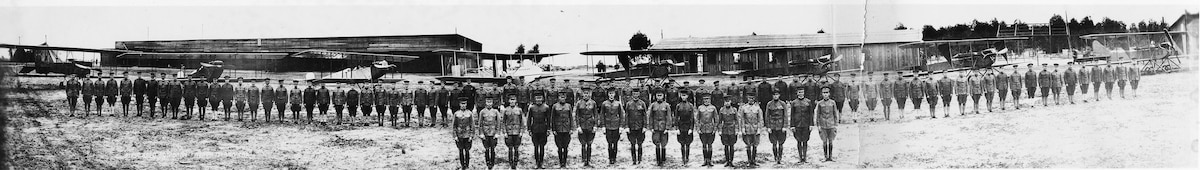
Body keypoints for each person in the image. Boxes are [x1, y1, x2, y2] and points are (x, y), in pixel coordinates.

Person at [648, 87, 672, 166]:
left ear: (663, 96)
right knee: (656, 142)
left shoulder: (666, 105)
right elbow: (650, 116)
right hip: (655, 127)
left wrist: (667, 128)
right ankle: (658, 159)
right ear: (655, 96)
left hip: (663, 127)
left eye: (660, 95)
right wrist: (651, 127)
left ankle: (663, 158)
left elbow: (669, 117)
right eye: (657, 95)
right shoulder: (653, 105)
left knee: (664, 143)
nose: (659, 97)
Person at [575, 86, 599, 167]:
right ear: (582, 94)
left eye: (587, 93)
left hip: (590, 125)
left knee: (589, 143)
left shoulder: (593, 103)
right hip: (582, 125)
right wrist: (578, 126)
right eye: (584, 93)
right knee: (583, 143)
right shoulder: (579, 103)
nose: (586, 95)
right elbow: (576, 115)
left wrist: (595, 125)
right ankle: (583, 160)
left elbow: (596, 115)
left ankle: (588, 160)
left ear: (590, 94)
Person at [740, 86, 763, 167]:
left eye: (752, 98)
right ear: (747, 98)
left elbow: (760, 119)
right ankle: (749, 160)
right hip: (747, 128)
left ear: (754, 99)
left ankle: (754, 160)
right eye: (749, 98)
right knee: (748, 145)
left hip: (755, 128)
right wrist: (742, 128)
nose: (750, 100)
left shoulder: (757, 108)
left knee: (755, 145)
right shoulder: (744, 108)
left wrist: (759, 129)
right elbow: (742, 119)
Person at [790, 84, 814, 163]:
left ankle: (805, 157)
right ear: (797, 93)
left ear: (804, 93)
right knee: (799, 141)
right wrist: (792, 125)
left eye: (802, 92)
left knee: (805, 141)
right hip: (797, 125)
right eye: (799, 92)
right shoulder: (794, 103)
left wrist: (811, 124)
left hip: (806, 124)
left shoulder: (808, 102)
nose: (801, 94)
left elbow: (811, 114)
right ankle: (800, 158)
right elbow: (792, 115)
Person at [764, 87, 788, 164]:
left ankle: (780, 158)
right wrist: (768, 127)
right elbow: (767, 116)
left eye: (777, 94)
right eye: (774, 95)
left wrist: (784, 126)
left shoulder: (783, 104)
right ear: (772, 96)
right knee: (774, 143)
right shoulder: (769, 104)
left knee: (781, 143)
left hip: (781, 125)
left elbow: (785, 116)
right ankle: (775, 157)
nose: (775, 96)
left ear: (779, 95)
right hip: (772, 125)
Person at [527, 93, 552, 169]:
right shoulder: (532, 108)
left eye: (540, 98)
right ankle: (536, 162)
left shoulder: (546, 107)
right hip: (534, 129)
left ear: (542, 99)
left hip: (543, 129)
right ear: (535, 99)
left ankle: (541, 162)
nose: (538, 100)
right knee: (535, 146)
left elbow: (548, 119)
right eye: (537, 98)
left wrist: (548, 129)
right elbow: (529, 119)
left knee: (542, 146)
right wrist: (529, 129)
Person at [600, 88, 625, 165]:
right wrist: (603, 126)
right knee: (609, 143)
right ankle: (610, 158)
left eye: (612, 93)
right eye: (610, 93)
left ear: (615, 94)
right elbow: (602, 115)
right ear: (608, 94)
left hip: (616, 125)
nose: (611, 95)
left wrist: (621, 126)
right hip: (608, 125)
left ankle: (614, 157)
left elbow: (622, 115)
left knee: (615, 142)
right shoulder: (604, 103)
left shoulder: (618, 103)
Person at [625, 88, 649, 165]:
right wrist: (626, 126)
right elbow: (626, 116)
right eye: (634, 94)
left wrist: (645, 126)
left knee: (640, 143)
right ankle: (634, 159)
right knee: (632, 143)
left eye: (637, 94)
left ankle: (639, 159)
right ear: (632, 94)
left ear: (639, 94)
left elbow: (645, 115)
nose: (636, 95)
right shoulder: (629, 104)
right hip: (631, 126)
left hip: (640, 127)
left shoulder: (642, 103)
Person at [502, 94, 526, 169]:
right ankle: (510, 163)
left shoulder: (519, 110)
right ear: (509, 101)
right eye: (511, 100)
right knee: (510, 148)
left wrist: (521, 132)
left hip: (517, 131)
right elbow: (503, 122)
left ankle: (515, 163)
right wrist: (505, 132)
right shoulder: (506, 110)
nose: (512, 101)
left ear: (516, 101)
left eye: (514, 100)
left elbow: (522, 122)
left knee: (516, 148)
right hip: (509, 132)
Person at [695, 90, 719, 167]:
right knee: (704, 144)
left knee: (710, 144)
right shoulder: (700, 108)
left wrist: (715, 129)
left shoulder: (713, 108)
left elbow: (716, 119)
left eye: (708, 99)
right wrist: (698, 128)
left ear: (710, 99)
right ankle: (705, 160)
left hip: (710, 128)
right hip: (702, 129)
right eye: (705, 99)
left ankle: (710, 160)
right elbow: (697, 119)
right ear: (703, 100)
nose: (706, 101)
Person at [815, 87, 838, 162]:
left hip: (831, 124)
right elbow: (818, 115)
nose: (825, 94)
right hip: (823, 125)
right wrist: (818, 125)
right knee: (824, 141)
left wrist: (835, 125)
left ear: (829, 94)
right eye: (824, 93)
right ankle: (825, 156)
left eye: (827, 93)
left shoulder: (833, 102)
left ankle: (830, 157)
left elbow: (835, 114)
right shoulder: (820, 103)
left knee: (831, 141)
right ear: (822, 94)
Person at [718, 90, 740, 167]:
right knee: (726, 146)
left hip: (732, 129)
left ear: (730, 101)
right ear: (724, 102)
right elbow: (720, 121)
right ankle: (727, 161)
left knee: (732, 145)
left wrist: (737, 130)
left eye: (728, 101)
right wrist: (720, 130)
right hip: (724, 129)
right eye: (726, 101)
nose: (727, 103)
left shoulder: (734, 110)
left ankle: (732, 161)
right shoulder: (721, 110)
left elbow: (737, 121)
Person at [478, 96, 501, 169]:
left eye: (490, 102)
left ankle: (493, 162)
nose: (489, 104)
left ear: (492, 103)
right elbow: (480, 124)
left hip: (493, 133)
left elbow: (498, 123)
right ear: (485, 102)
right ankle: (488, 162)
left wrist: (497, 133)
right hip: (485, 133)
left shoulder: (496, 111)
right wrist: (481, 133)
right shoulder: (482, 112)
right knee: (487, 148)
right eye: (487, 102)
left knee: (493, 148)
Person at [675, 87, 697, 164]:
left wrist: (691, 128)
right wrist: (677, 128)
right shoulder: (678, 106)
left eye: (685, 95)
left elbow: (692, 118)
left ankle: (687, 157)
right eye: (682, 95)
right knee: (681, 143)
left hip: (688, 125)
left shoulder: (690, 105)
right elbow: (676, 117)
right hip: (681, 125)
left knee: (688, 143)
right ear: (680, 96)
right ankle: (682, 157)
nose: (683, 97)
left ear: (687, 96)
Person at [452, 99, 475, 169]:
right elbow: (454, 125)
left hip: (467, 134)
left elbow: (472, 125)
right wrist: (455, 136)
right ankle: (462, 165)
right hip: (459, 135)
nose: (463, 105)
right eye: (462, 104)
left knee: (467, 150)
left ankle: (467, 164)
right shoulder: (456, 114)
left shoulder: (469, 113)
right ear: (459, 104)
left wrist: (471, 135)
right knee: (461, 150)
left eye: (464, 104)